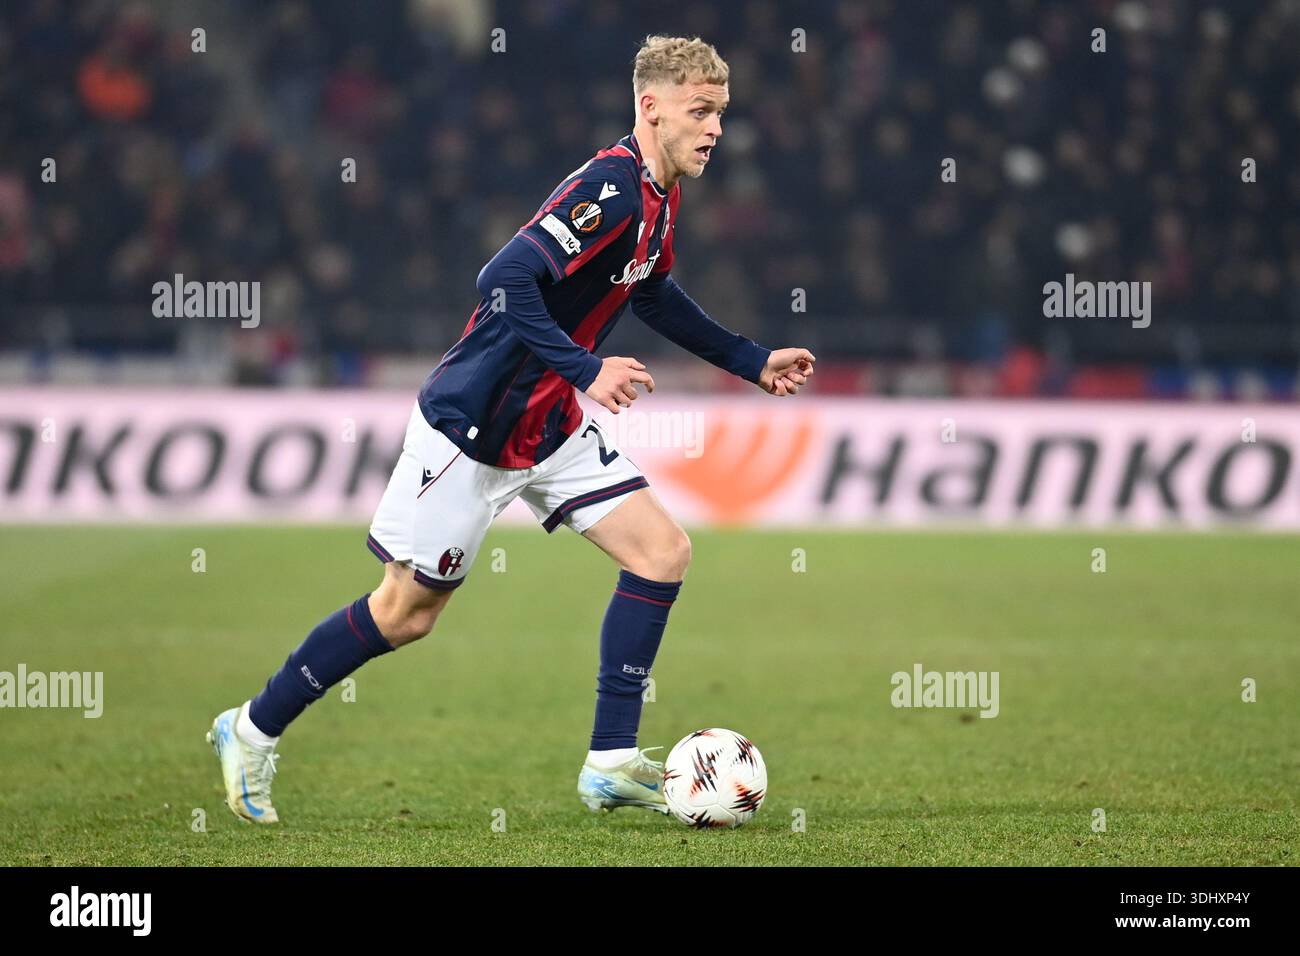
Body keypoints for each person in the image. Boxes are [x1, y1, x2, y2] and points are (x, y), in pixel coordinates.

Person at [208, 34, 815, 823]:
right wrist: (585, 367)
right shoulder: (611, 187)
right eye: (700, 113)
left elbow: (656, 295)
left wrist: (752, 359)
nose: (714, 131)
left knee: (662, 553)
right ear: (649, 108)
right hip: (474, 425)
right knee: (406, 614)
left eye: (721, 116)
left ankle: (610, 761)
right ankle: (251, 729)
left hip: (549, 425)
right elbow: (501, 279)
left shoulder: (660, 202)